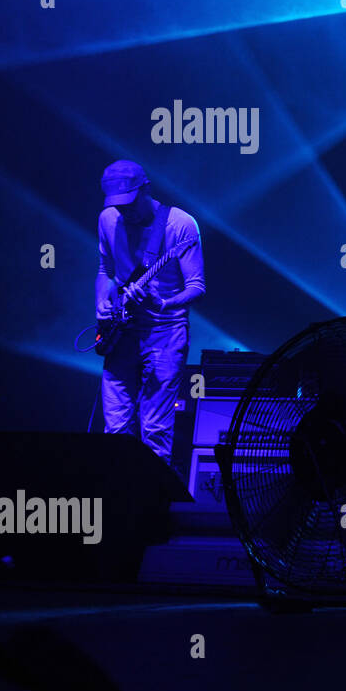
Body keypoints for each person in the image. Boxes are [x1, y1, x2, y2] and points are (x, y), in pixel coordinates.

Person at [95, 160, 205, 470]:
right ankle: (117, 502)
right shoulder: (107, 220)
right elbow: (105, 271)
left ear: (145, 189)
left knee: (155, 430)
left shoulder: (180, 224)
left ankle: (152, 509)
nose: (123, 212)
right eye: (116, 205)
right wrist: (102, 301)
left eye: (128, 204)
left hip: (166, 333)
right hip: (122, 333)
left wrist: (163, 303)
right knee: (115, 427)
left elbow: (197, 286)